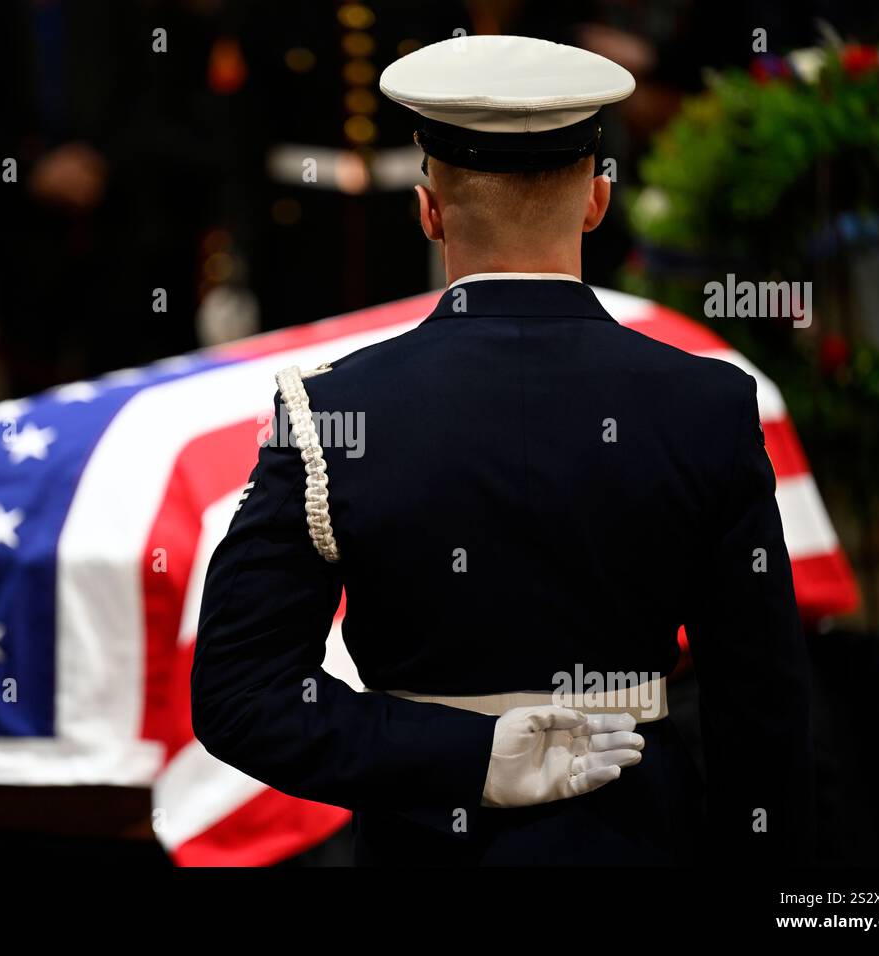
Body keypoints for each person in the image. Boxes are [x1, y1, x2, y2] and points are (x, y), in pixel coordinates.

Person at [191, 34, 813, 865]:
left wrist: (462, 758)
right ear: (596, 201)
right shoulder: (706, 403)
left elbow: (243, 696)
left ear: (429, 210)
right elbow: (762, 709)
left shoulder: (328, 411)